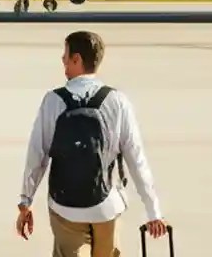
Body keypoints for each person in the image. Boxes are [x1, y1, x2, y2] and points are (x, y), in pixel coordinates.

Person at [16, 30, 166, 257]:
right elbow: (136, 158)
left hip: (65, 208)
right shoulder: (118, 101)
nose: (62, 60)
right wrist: (153, 211)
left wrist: (26, 201)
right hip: (107, 206)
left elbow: (37, 155)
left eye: (65, 55)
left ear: (76, 59)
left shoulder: (53, 100)